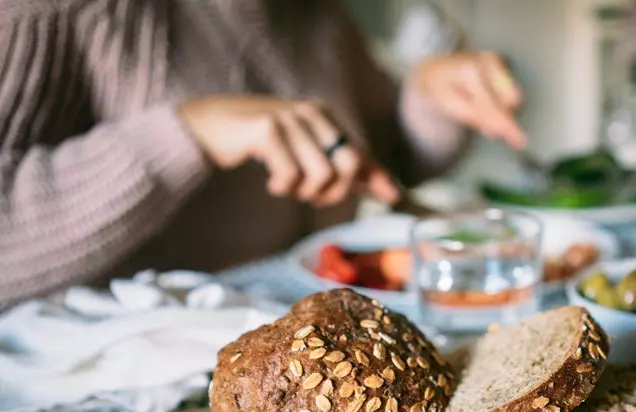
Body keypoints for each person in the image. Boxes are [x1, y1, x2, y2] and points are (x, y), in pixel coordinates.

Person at [0, 0, 527, 309]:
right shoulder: (44, 13)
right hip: (104, 410)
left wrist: (428, 98)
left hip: (302, 350)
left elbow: (379, 160)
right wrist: (186, 135)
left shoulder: (313, 12)